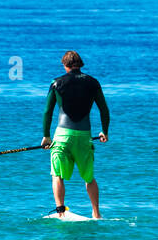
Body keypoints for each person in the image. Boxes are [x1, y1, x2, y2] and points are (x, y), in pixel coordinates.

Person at [41, 50, 109, 219]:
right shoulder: (93, 82)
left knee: (57, 175)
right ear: (80, 64)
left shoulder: (56, 83)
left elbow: (47, 112)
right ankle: (96, 213)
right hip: (84, 136)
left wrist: (46, 136)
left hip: (62, 136)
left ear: (65, 66)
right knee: (89, 177)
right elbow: (104, 110)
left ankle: (60, 212)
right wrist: (104, 131)